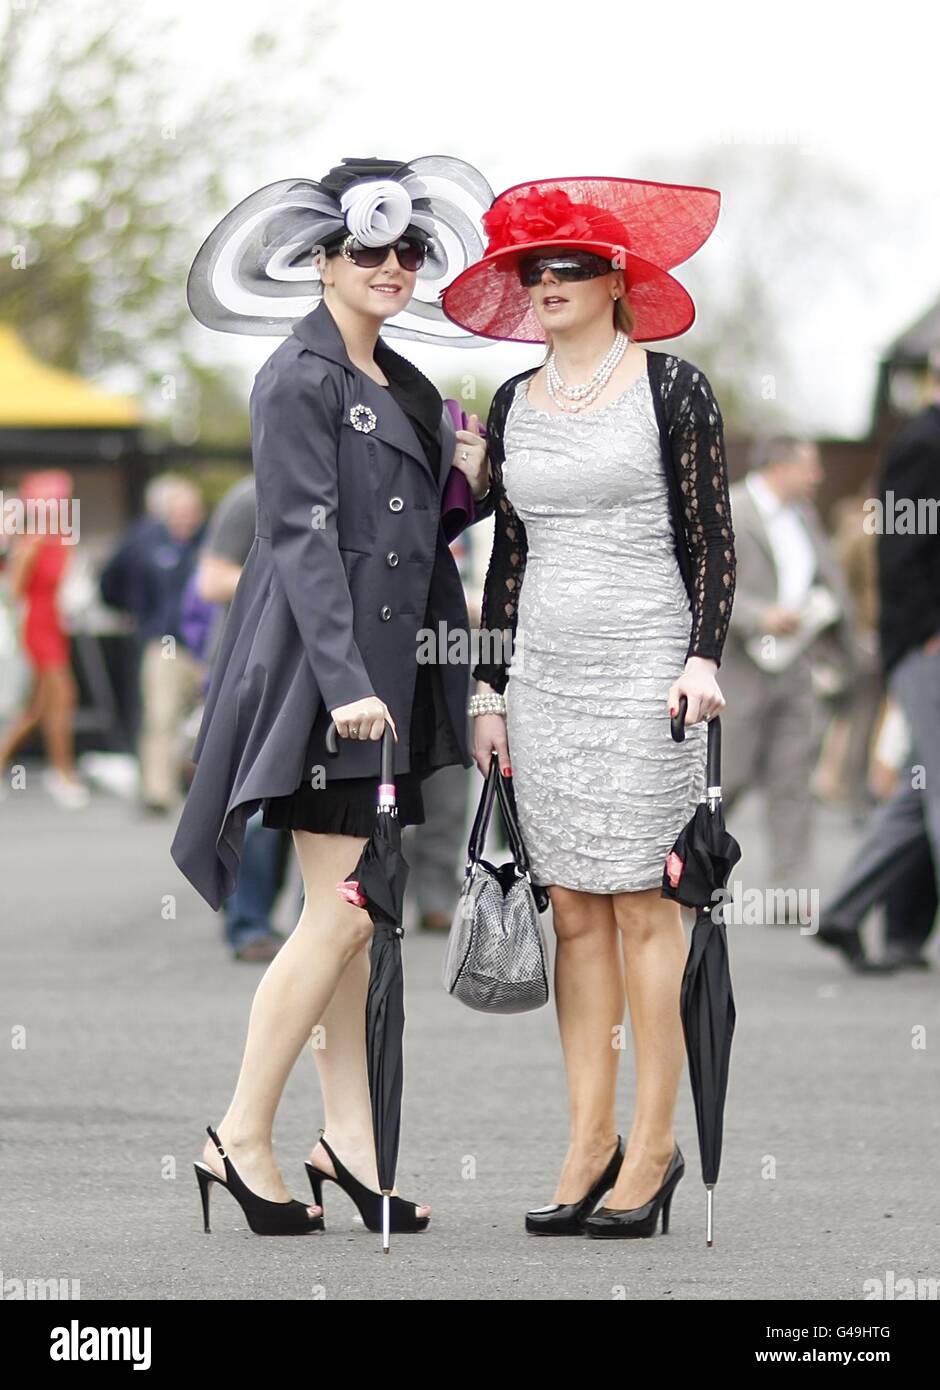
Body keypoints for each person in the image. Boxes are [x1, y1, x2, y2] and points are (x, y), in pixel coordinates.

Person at [171, 154, 496, 1236]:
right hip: (329, 681)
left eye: (408, 250)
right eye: (370, 248)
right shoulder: (296, 377)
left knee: (348, 919)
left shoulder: (402, 382)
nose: (393, 266)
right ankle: (238, 1134)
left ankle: (348, 1147)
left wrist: (468, 483)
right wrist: (350, 683)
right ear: (322, 258)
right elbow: (300, 537)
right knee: (344, 911)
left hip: (387, 681)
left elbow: (403, 541)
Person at [442, 175, 735, 1238]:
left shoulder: (674, 388)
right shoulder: (513, 401)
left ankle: (653, 1147)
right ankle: (587, 1139)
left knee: (644, 905)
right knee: (570, 906)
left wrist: (705, 657)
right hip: (548, 678)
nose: (548, 282)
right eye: (534, 267)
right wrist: (488, 686)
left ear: (616, 280)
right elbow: (504, 561)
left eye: (569, 266)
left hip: (651, 665)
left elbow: (712, 540)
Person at [815, 347, 940, 971]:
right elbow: (899, 551)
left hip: (921, 640)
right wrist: (925, 634)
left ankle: (843, 912)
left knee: (918, 791)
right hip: (926, 642)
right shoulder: (925, 441)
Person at [716, 436, 857, 907]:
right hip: (738, 667)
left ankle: (790, 890)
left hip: (795, 665)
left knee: (792, 779)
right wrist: (760, 616)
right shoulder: (732, 508)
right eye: (809, 467)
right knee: (725, 777)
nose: (817, 477)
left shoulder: (804, 516)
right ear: (781, 466)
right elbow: (707, 582)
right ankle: (691, 878)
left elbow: (827, 577)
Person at [193, 474, 290, 962]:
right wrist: (296, 569)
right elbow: (211, 581)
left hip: (296, 673)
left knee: (286, 806)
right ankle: (247, 925)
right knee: (252, 806)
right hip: (245, 672)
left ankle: (259, 918)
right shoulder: (251, 495)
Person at [99, 476, 207, 813]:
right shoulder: (145, 540)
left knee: (209, 720)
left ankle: (204, 791)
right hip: (166, 644)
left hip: (208, 644)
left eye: (192, 511)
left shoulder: (211, 540)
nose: (187, 517)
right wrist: (134, 612)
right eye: (180, 510)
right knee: (161, 716)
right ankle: (158, 792)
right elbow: (109, 581)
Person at [0, 469, 89, 808]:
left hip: (55, 625)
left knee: (39, 709)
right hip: (37, 627)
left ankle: (60, 773)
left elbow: (69, 586)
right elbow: (14, 590)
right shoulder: (32, 543)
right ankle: (63, 774)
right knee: (61, 699)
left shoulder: (63, 542)